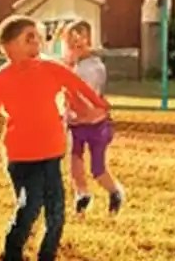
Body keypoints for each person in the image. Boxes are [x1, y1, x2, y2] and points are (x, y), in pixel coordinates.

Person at [0, 15, 110, 261]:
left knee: (56, 211)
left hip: (51, 152)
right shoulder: (1, 78)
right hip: (21, 157)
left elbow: (77, 86)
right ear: (8, 47)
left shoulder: (51, 68)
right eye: (28, 38)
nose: (36, 43)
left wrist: (99, 104)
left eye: (37, 38)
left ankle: (47, 254)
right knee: (30, 206)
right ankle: (12, 253)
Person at [60, 20, 126, 216]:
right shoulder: (68, 64)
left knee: (98, 169)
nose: (73, 47)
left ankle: (115, 192)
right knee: (74, 163)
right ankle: (82, 194)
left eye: (78, 42)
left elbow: (86, 95)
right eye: (69, 43)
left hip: (96, 124)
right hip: (75, 125)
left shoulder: (94, 67)